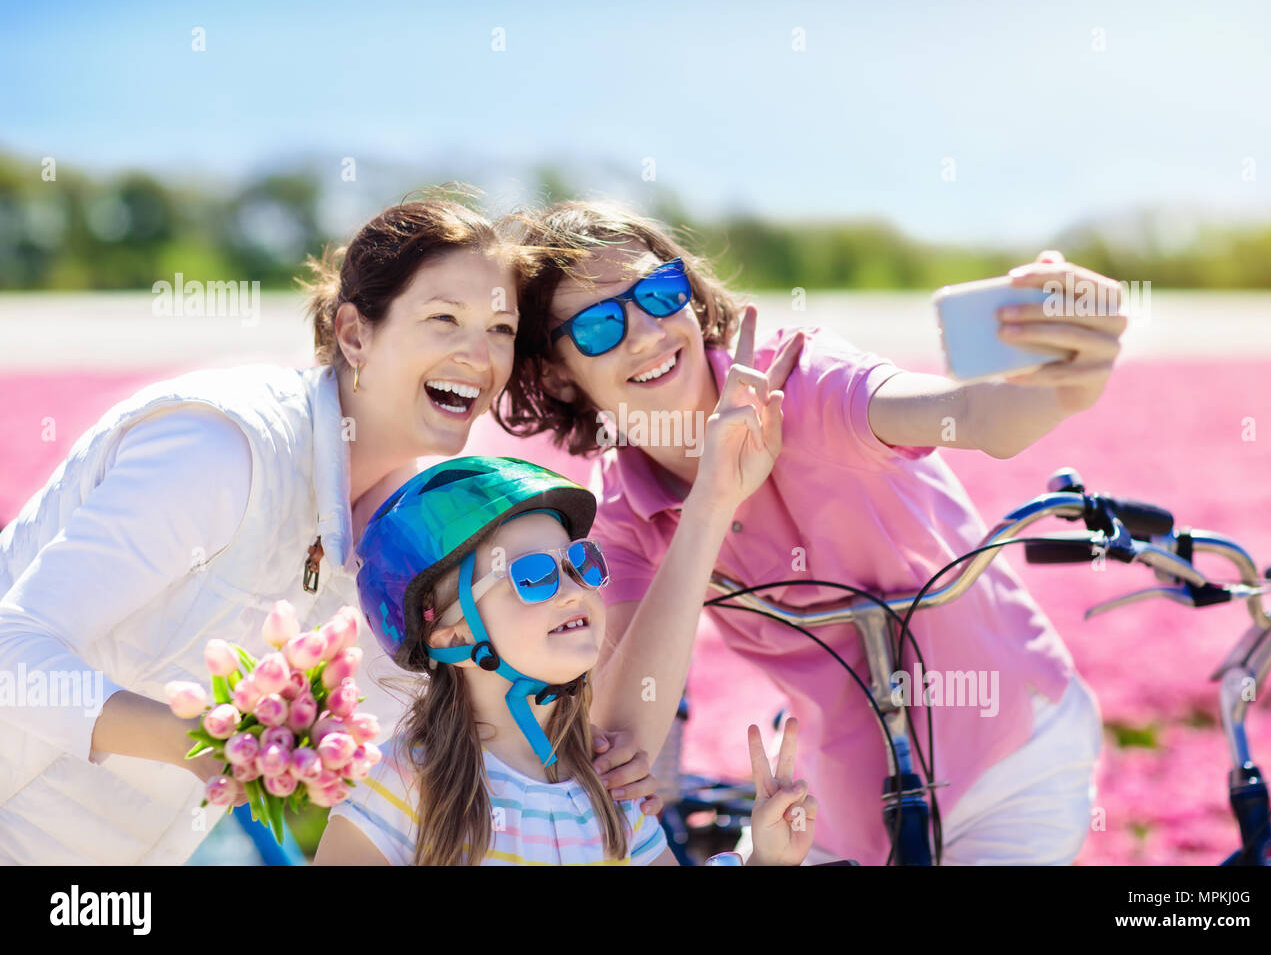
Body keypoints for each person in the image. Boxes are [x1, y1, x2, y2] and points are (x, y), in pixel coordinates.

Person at [0, 195, 656, 865]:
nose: (477, 354)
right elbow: (8, 648)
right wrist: (205, 741)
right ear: (353, 335)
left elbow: (460, 715)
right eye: (443, 319)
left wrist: (598, 755)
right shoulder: (224, 447)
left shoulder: (403, 544)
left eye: (499, 329)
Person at [494, 200, 1120, 864]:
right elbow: (627, 740)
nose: (646, 331)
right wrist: (711, 498)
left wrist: (1066, 380)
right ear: (557, 373)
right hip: (841, 802)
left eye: (659, 291)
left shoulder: (805, 382)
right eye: (597, 325)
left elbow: (971, 414)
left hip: (1013, 758)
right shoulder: (623, 509)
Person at [315, 456, 816, 865]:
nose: (573, 591)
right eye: (533, 576)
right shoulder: (405, 784)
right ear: (455, 634)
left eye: (581, 563)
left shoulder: (612, 796)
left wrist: (767, 860)